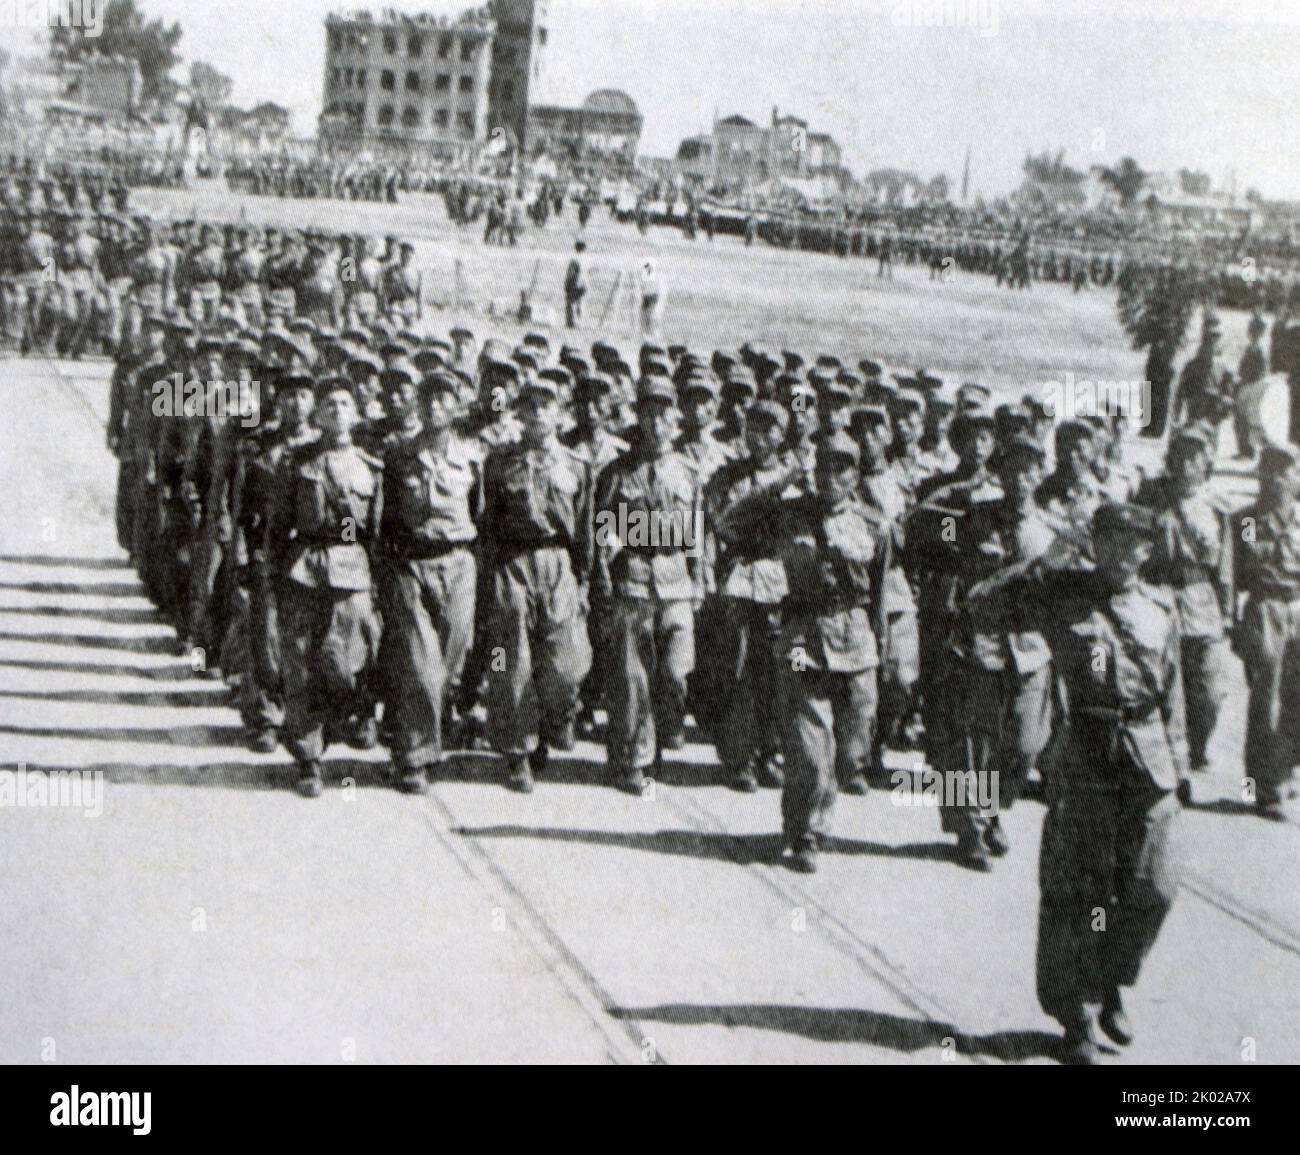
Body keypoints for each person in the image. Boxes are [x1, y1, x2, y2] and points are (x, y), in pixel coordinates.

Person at [965, 503, 1187, 1064]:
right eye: (1110, 540)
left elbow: (1173, 696)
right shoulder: (1062, 595)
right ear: (1095, 544)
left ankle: (1113, 975)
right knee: (1079, 889)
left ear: (1147, 548)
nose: (1122, 551)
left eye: (1133, 542)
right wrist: (1042, 564)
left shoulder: (1161, 609)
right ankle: (1078, 1012)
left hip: (1148, 755)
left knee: (1154, 885)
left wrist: (1178, 766)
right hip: (1085, 754)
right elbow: (981, 605)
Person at [269, 377, 384, 798]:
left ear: (356, 413)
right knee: (300, 664)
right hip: (305, 569)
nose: (337, 410)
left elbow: (371, 533)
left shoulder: (370, 468)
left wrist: (376, 587)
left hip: (352, 572)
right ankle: (308, 758)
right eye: (329, 404)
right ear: (317, 415)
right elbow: (280, 525)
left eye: (344, 403)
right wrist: (275, 577)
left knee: (347, 664)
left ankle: (344, 718)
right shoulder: (297, 462)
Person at [481, 375, 593, 794]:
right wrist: (487, 578)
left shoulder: (578, 466)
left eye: (547, 405)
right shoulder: (499, 462)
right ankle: (518, 752)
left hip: (559, 562)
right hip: (513, 562)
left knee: (565, 664)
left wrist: (584, 581)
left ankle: (553, 720)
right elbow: (487, 523)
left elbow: (585, 527)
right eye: (529, 406)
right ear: (519, 414)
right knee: (511, 662)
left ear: (561, 414)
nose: (537, 413)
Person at [776, 434, 880, 874]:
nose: (831, 478)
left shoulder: (874, 522)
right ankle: (807, 831)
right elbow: (730, 523)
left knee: (854, 740)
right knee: (808, 745)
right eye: (823, 469)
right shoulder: (790, 513)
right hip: (803, 636)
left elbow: (881, 585)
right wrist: (784, 478)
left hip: (854, 636)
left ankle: (822, 799)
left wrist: (882, 650)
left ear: (855, 475)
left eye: (842, 469)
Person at [595, 376, 704, 793]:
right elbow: (603, 527)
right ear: (638, 417)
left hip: (675, 582)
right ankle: (632, 759)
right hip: (634, 581)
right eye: (648, 413)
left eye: (663, 413)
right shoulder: (617, 473)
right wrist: (605, 569)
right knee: (632, 676)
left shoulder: (688, 474)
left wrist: (698, 580)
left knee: (676, 673)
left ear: (675, 419)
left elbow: (694, 533)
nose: (656, 422)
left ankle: (656, 738)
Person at [379, 370, 482, 794]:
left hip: (458, 566)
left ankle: (435, 725)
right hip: (413, 566)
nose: (436, 405)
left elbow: (480, 515)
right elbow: (384, 521)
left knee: (451, 667)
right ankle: (412, 757)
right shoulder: (399, 457)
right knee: (420, 666)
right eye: (428, 398)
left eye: (444, 398)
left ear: (458, 407)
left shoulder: (474, 458)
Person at [1233, 444, 1300, 821]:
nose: (1277, 479)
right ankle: (1259, 789)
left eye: (1286, 471)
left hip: (1299, 607)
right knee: (1266, 701)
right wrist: (1234, 622)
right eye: (1270, 471)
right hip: (1265, 608)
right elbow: (1234, 573)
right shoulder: (1247, 520)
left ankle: (1286, 767)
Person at [564, 240, 587, 329]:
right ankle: (580, 322)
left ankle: (570, 323)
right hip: (583, 285)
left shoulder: (574, 259)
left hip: (575, 284)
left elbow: (571, 273)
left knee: (570, 303)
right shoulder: (585, 259)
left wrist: (567, 283)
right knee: (579, 303)